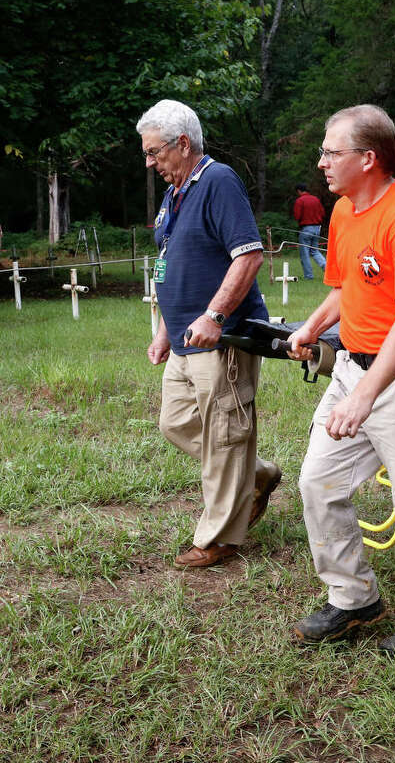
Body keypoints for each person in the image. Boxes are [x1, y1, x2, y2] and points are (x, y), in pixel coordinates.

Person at [286, 104, 395, 656]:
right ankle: (355, 597)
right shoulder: (343, 211)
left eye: (331, 152)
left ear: (369, 157)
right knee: (318, 483)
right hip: (350, 371)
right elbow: (343, 289)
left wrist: (365, 396)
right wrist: (310, 328)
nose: (322, 163)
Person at [138, 99, 282, 569]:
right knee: (175, 423)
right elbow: (171, 265)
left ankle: (220, 537)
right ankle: (255, 476)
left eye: (155, 152)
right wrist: (165, 328)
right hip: (182, 338)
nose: (150, 162)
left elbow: (249, 255)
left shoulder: (217, 181)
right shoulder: (175, 193)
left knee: (223, 436)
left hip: (223, 339)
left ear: (183, 144)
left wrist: (215, 316)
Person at [292, 183, 327, 280]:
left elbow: (297, 216)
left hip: (306, 229)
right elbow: (323, 213)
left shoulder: (300, 200)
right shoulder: (315, 199)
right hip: (317, 228)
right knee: (315, 251)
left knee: (305, 253)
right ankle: (328, 270)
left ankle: (309, 276)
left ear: (299, 191)